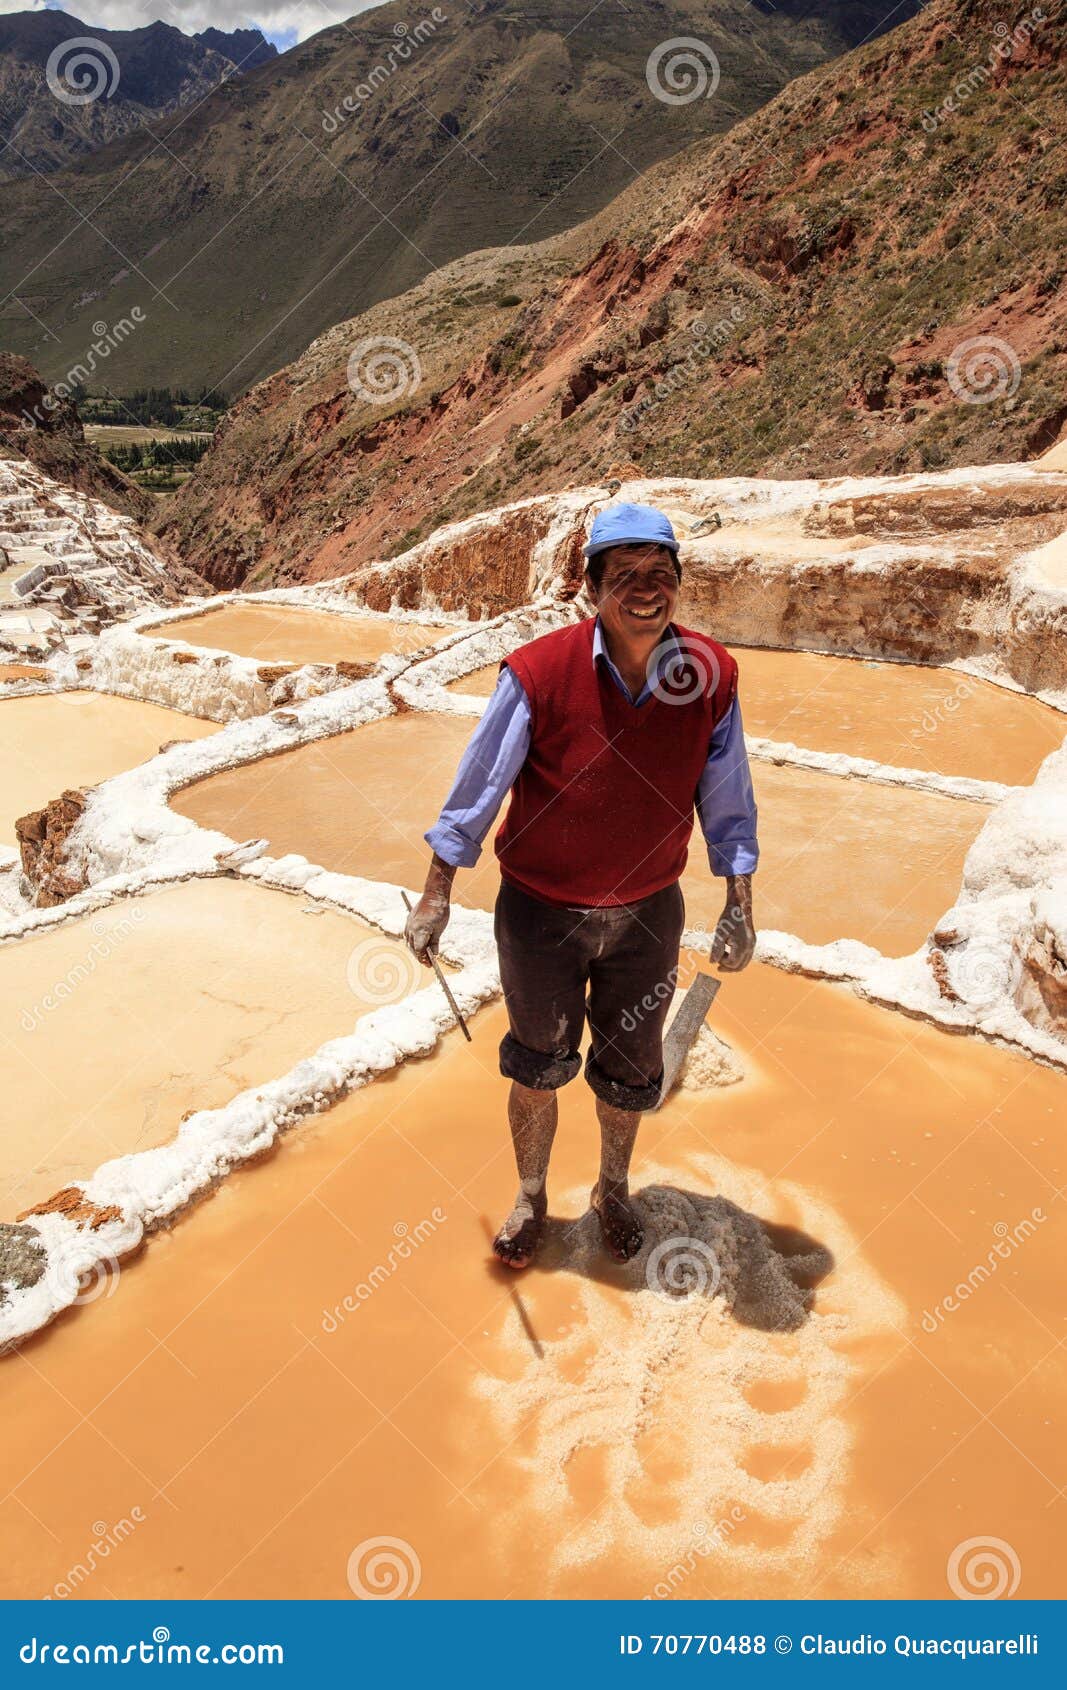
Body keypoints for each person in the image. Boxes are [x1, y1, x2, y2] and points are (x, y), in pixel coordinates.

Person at [404, 503, 758, 1269]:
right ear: (588, 587)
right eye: (623, 576)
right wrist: (436, 893)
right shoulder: (537, 673)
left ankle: (612, 1188)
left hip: (647, 917)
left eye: (659, 575)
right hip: (540, 914)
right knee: (538, 1065)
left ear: (677, 586)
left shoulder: (708, 677)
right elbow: (476, 792)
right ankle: (531, 1195)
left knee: (631, 1072)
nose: (644, 590)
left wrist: (738, 903)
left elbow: (728, 799)